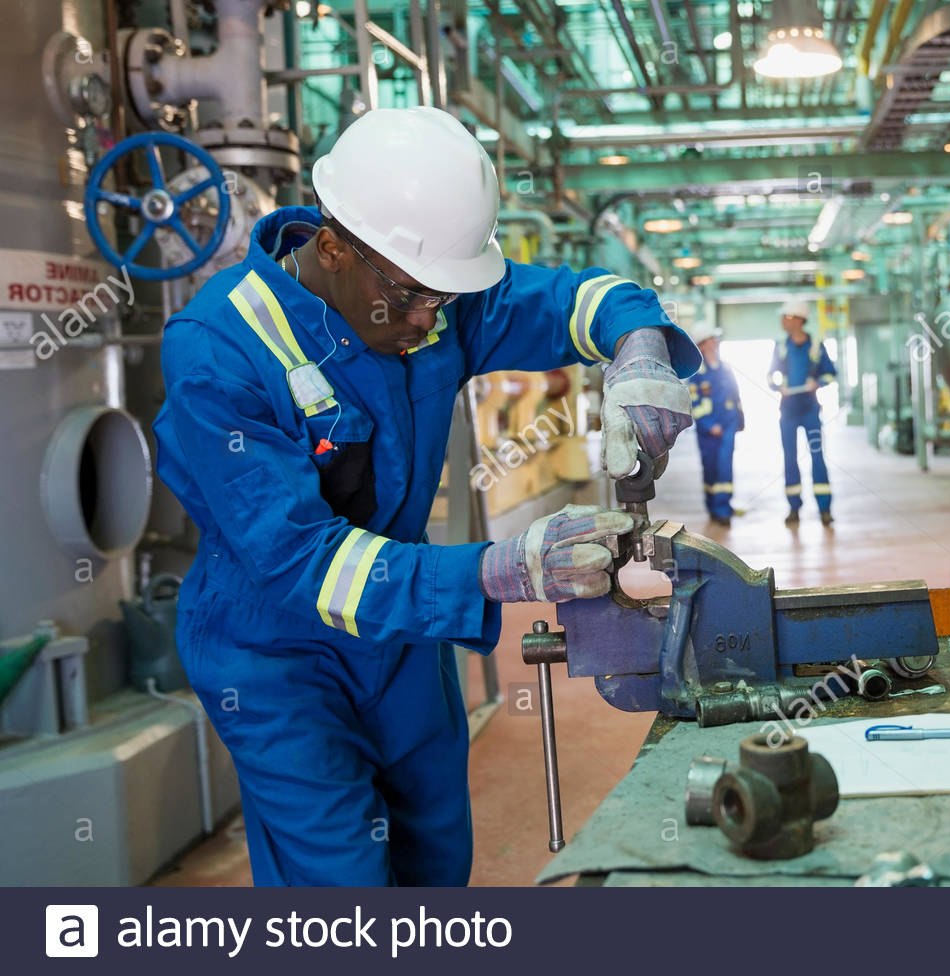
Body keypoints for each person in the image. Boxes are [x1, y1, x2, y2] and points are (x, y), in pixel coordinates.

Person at [152, 107, 699, 886]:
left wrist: (637, 351)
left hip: (402, 637)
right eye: (412, 297)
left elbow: (584, 298)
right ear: (332, 246)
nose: (425, 322)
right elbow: (303, 565)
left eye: (443, 299)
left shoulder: (427, 299)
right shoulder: (220, 352)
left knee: (434, 854)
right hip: (275, 651)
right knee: (340, 875)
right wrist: (498, 571)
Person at [768, 299, 836, 526]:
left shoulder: (816, 345)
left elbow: (830, 373)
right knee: (790, 458)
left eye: (786, 317)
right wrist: (779, 387)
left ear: (799, 319)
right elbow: (770, 376)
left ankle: (825, 509)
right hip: (788, 411)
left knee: (817, 456)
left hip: (809, 410)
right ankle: (793, 507)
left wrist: (817, 382)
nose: (782, 321)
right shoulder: (781, 346)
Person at [687, 322, 744, 528]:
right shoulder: (696, 373)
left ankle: (723, 509)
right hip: (708, 430)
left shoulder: (724, 367)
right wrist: (710, 425)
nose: (716, 342)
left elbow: (734, 393)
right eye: (712, 339)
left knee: (724, 467)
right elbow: (694, 404)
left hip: (728, 423)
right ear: (702, 345)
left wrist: (740, 417)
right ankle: (713, 506)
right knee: (710, 468)